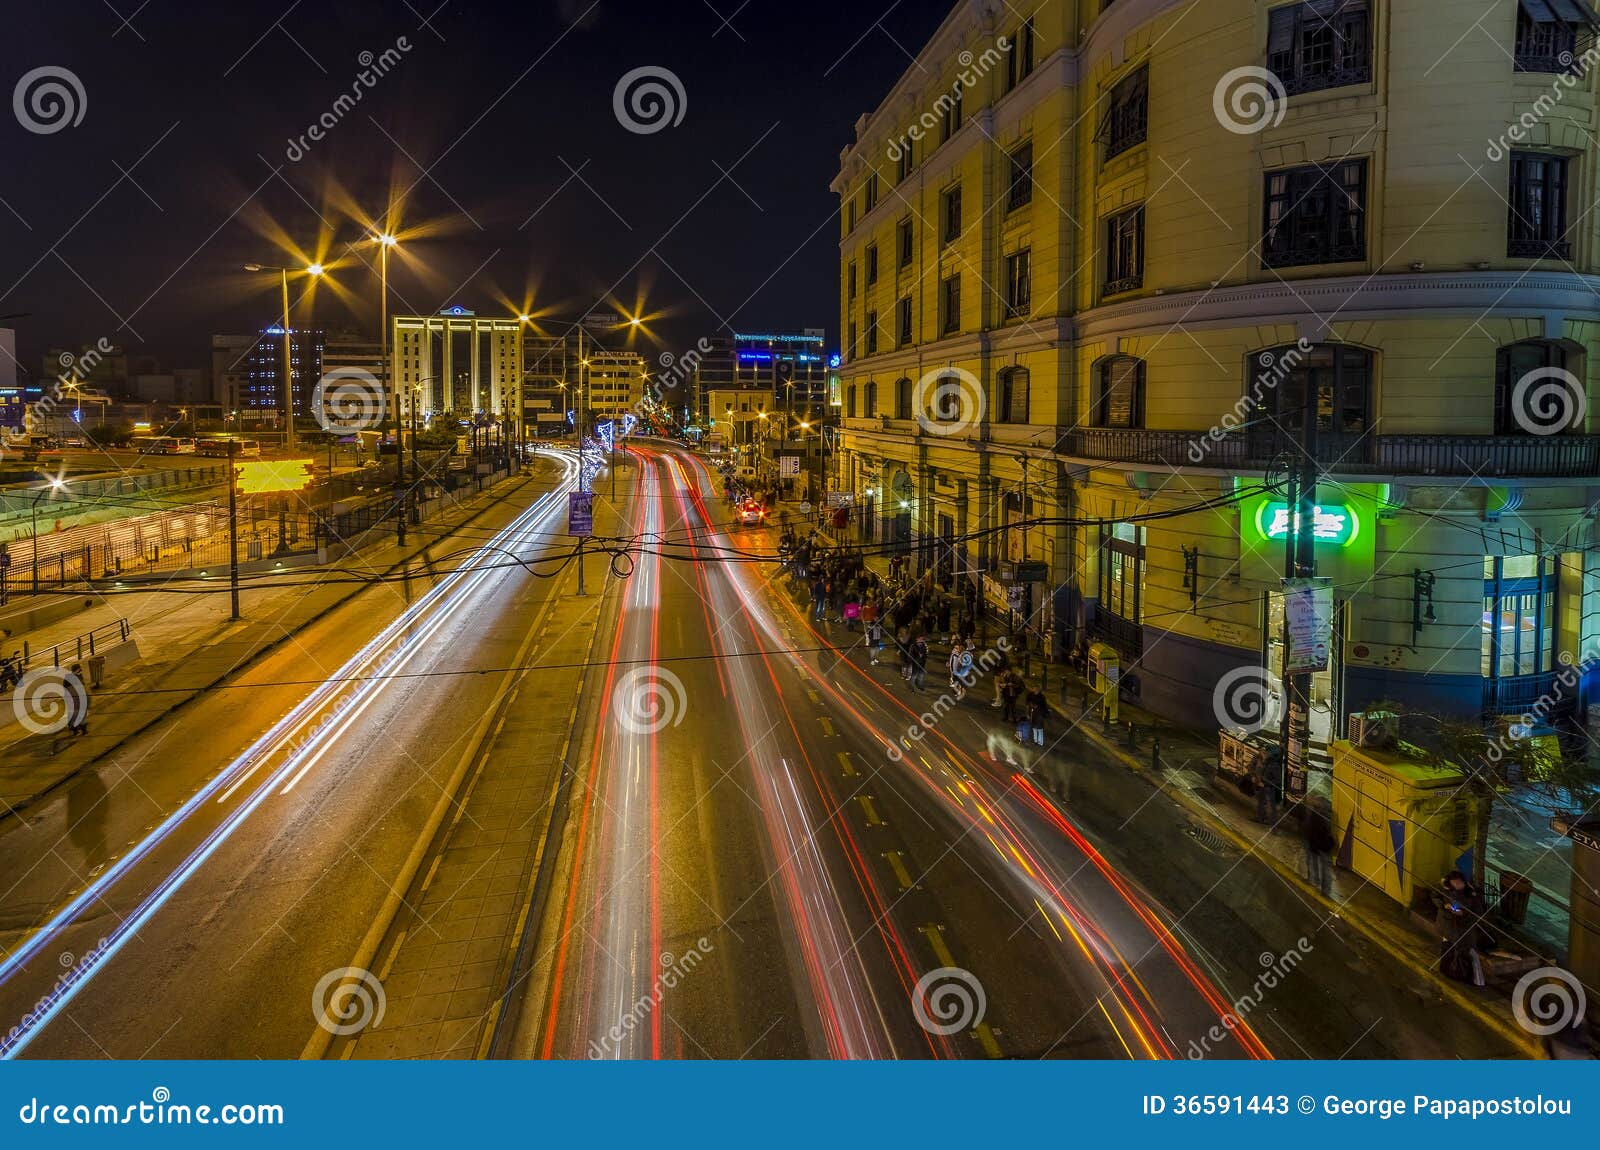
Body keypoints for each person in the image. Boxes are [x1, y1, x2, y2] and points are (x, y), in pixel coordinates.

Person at [1303, 801, 1336, 896]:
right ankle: (1325, 889)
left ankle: (1315, 882)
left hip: (1316, 845)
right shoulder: (1327, 817)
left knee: (1314, 863)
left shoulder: (1313, 817)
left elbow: (1310, 832)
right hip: (1323, 846)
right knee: (1325, 868)